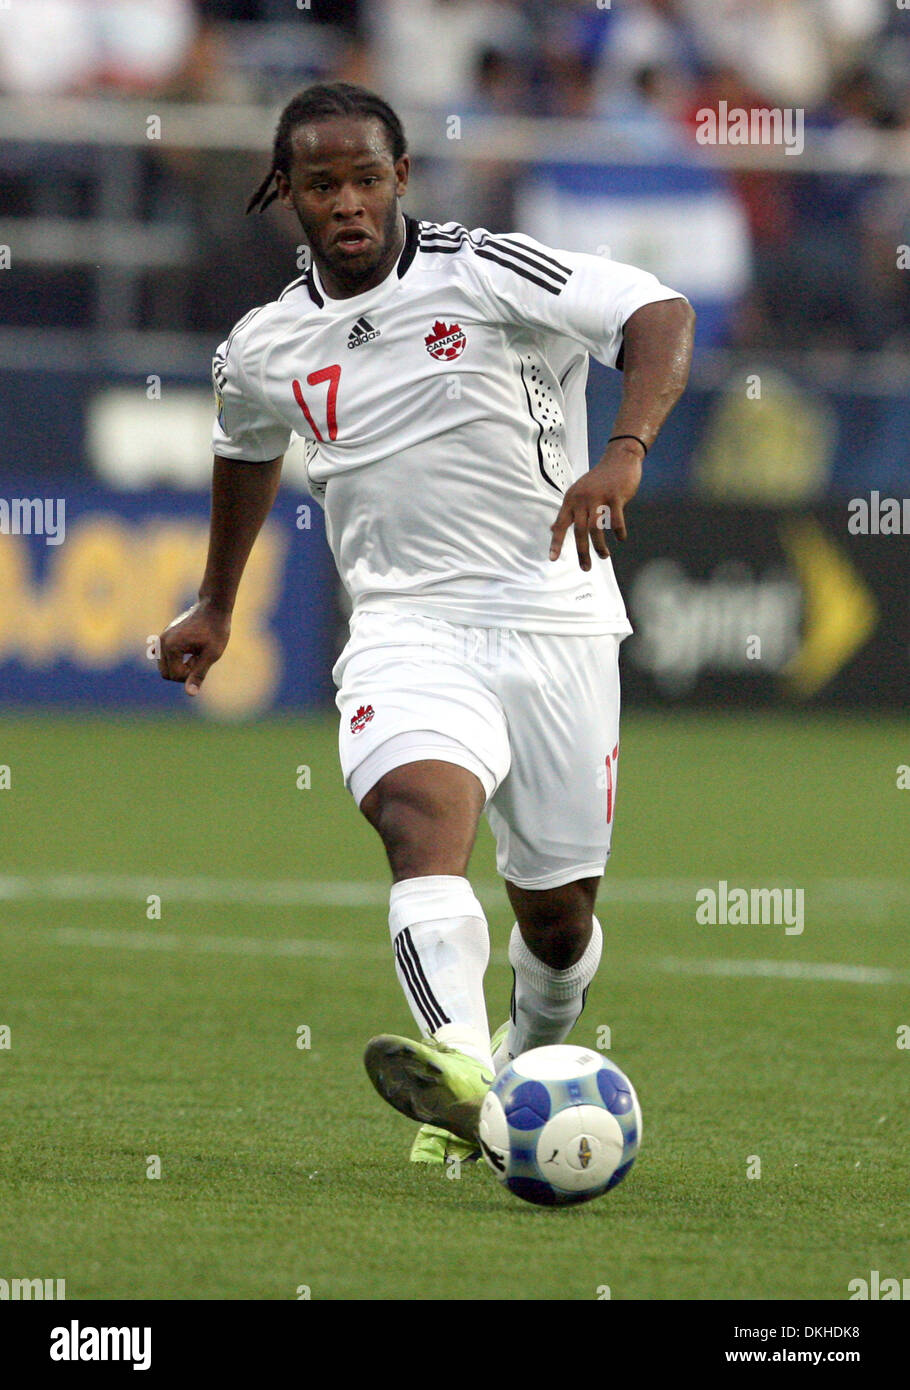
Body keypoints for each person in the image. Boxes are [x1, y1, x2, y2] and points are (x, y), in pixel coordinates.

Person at [157, 81, 695, 1166]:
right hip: (406, 624)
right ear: (287, 194)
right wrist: (218, 599)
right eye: (321, 184)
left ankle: (518, 1048)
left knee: (557, 922)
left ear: (401, 178)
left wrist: (624, 451)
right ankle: (456, 1068)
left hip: (555, 618)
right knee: (417, 817)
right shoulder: (263, 344)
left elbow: (658, 315)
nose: (346, 201)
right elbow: (246, 447)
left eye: (365, 177)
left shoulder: (488, 269)